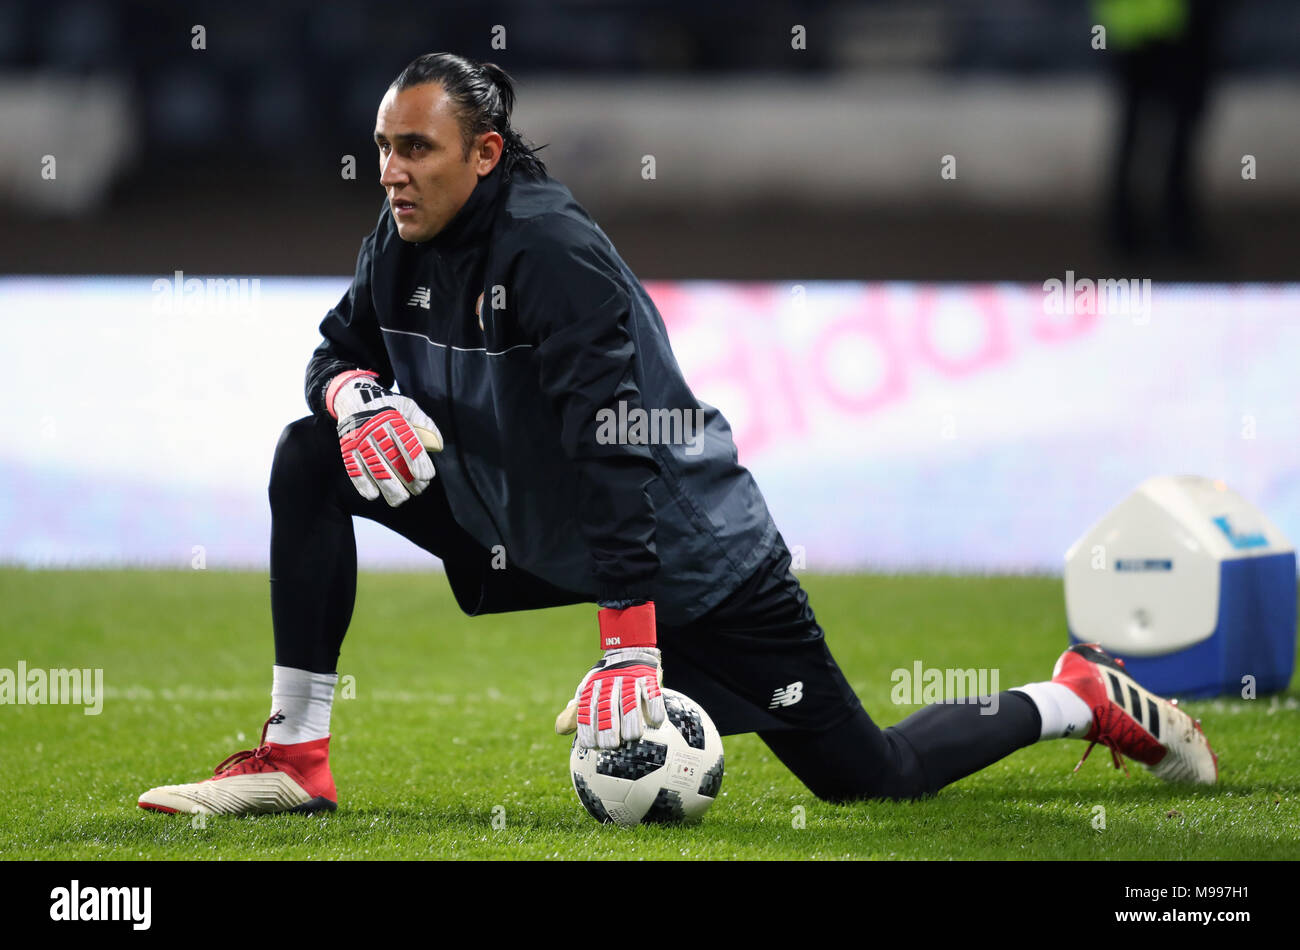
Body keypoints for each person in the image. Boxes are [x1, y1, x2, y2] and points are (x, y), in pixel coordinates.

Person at [138, 53, 1216, 817]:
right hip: (513, 511)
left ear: (485, 153)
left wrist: (630, 639)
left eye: (415, 148)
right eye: (382, 149)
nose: (392, 170)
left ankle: (1068, 695)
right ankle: (295, 755)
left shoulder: (549, 253)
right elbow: (334, 349)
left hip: (684, 544)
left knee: (866, 777)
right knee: (306, 452)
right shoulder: (401, 232)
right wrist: (353, 398)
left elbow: (615, 444)